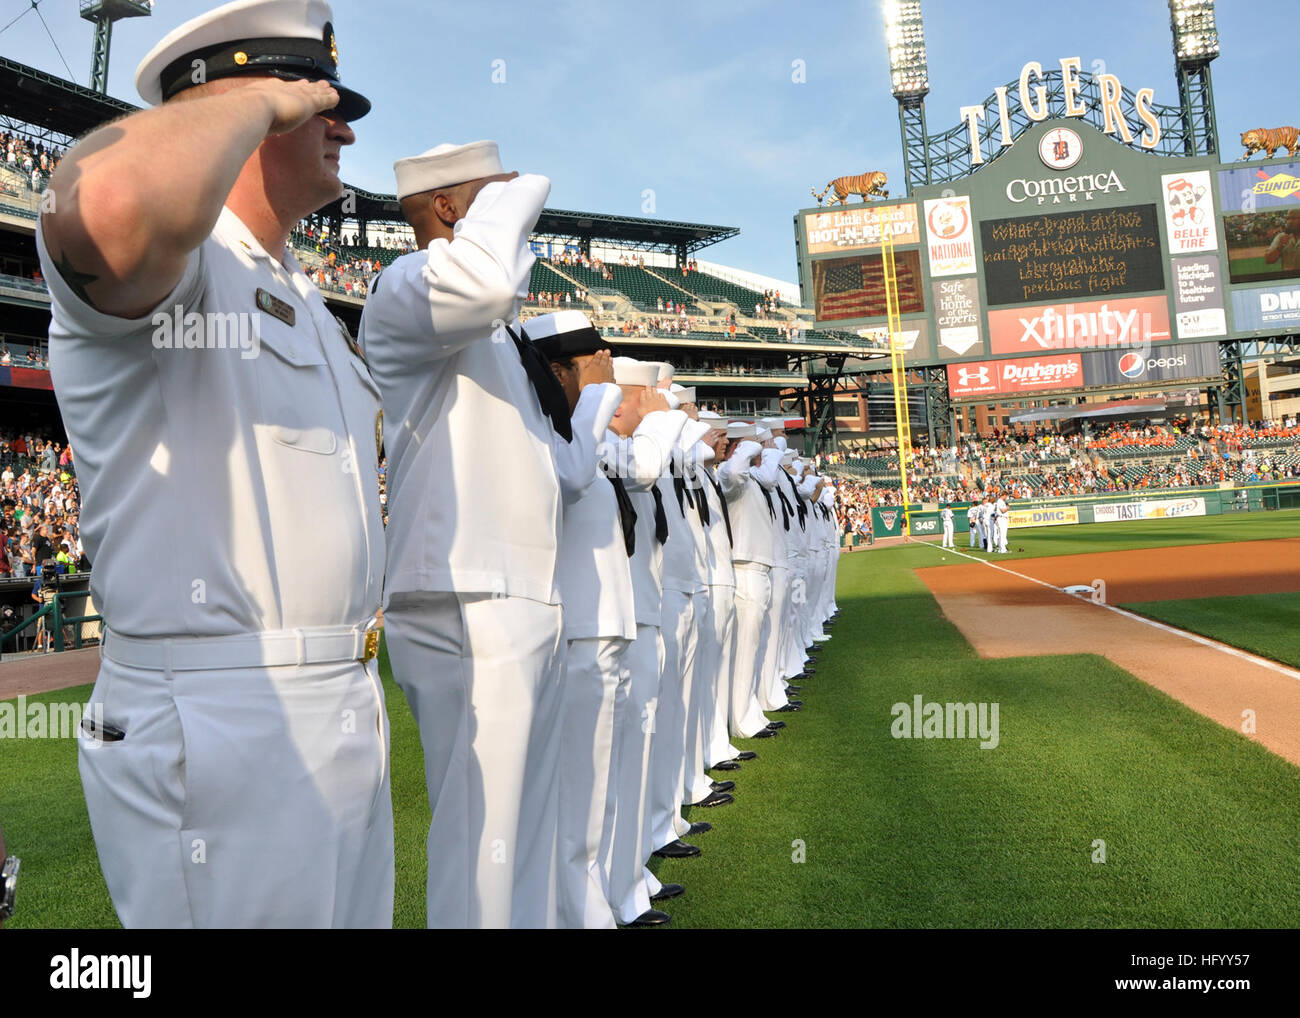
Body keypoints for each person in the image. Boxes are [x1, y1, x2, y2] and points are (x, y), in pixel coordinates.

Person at [35, 0, 391, 928]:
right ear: (252, 104)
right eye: (319, 100)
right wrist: (253, 101)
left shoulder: (305, 300)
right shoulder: (184, 272)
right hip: (218, 716)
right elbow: (106, 207)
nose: (345, 126)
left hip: (340, 700)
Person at [360, 139, 569, 929]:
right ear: (448, 208)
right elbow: (482, 282)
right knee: (483, 845)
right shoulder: (404, 287)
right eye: (489, 193)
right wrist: (523, 186)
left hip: (514, 593)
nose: (510, 202)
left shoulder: (496, 331)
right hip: (465, 598)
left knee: (524, 835)